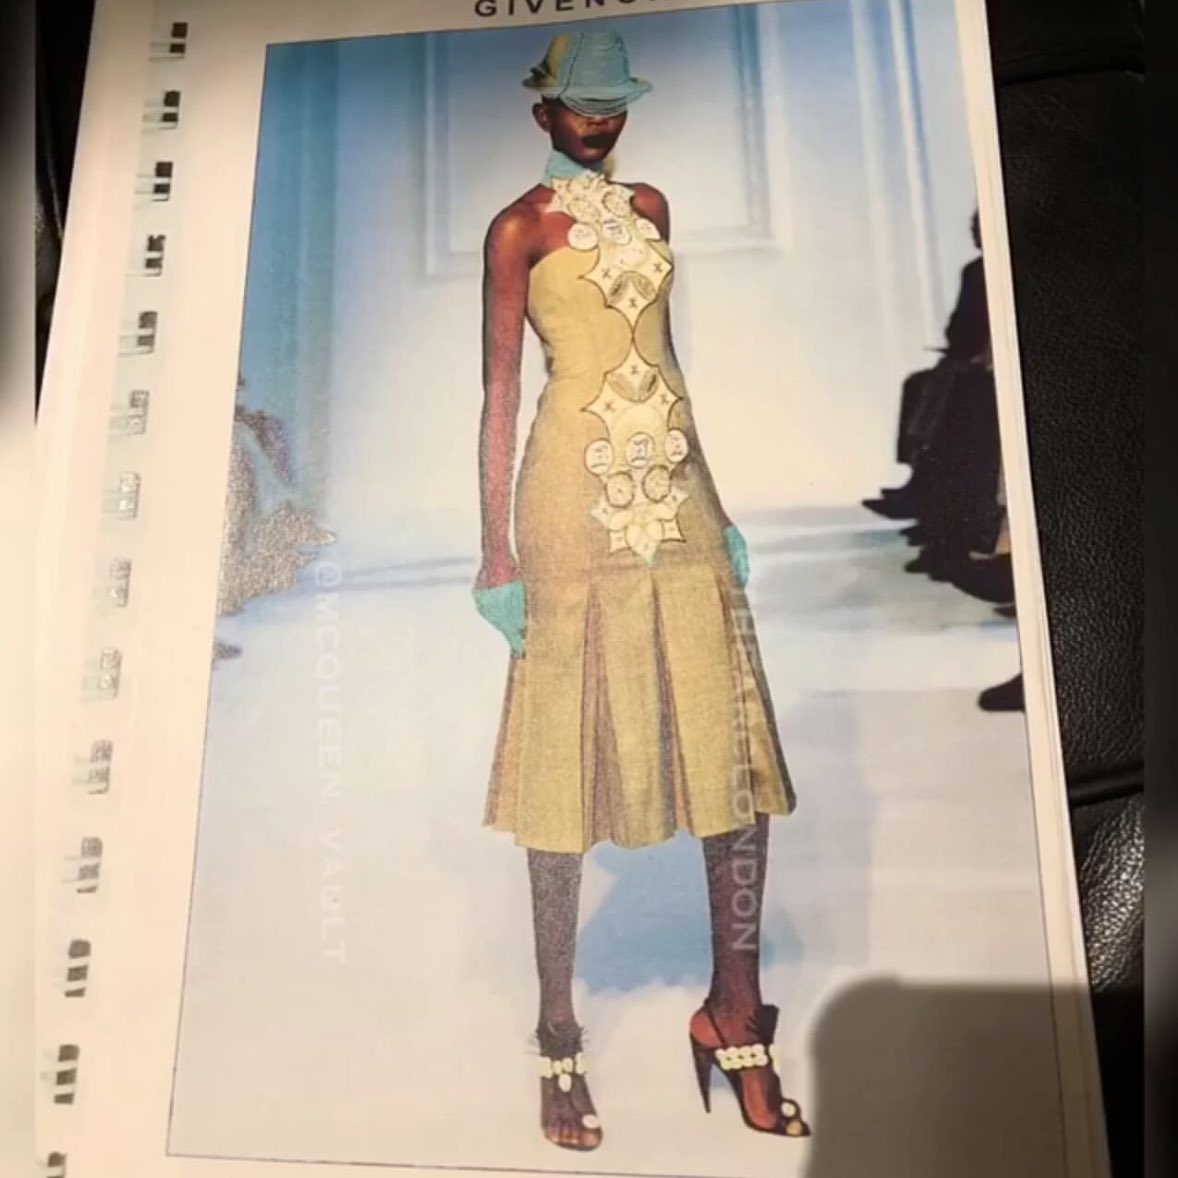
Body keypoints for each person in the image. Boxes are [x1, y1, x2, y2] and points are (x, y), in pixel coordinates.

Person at [472, 30, 809, 1153]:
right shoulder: (518, 229)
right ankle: (557, 1036)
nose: (601, 120)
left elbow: (668, 364)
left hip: (677, 492)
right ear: (544, 111)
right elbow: (500, 389)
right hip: (568, 499)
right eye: (583, 104)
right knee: (560, 775)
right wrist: (494, 551)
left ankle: (735, 1014)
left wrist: (718, 504)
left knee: (730, 758)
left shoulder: (652, 207)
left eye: (614, 103)